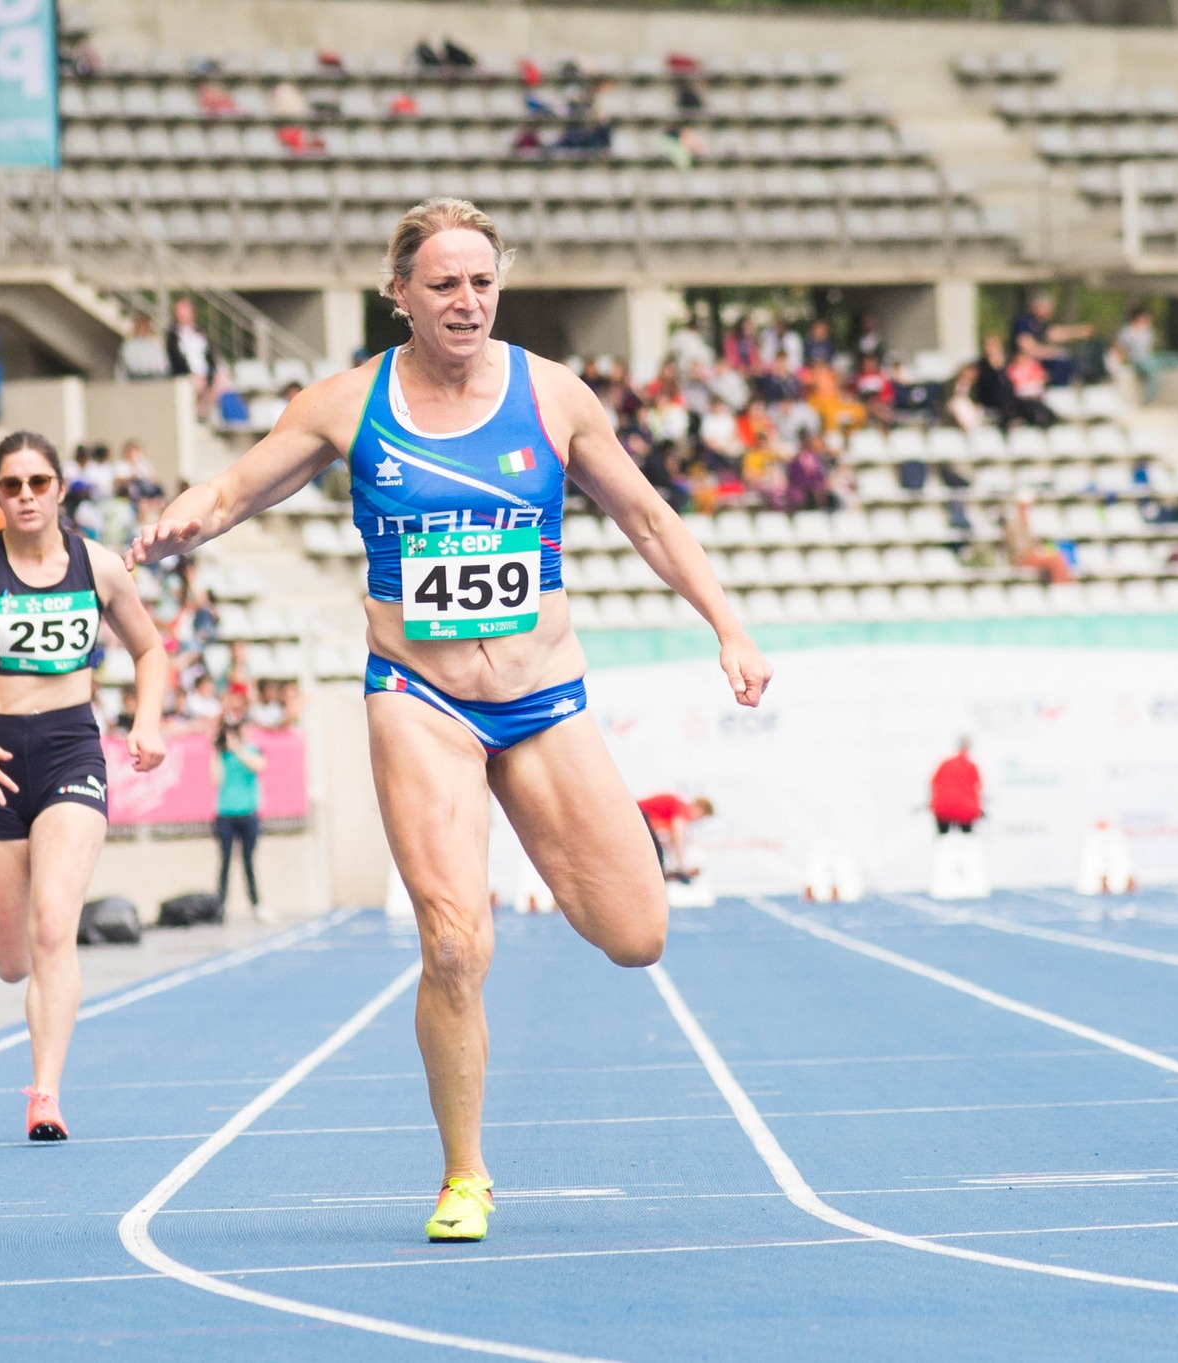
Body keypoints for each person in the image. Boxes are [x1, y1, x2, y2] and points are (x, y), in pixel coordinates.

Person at [125, 196, 771, 1244]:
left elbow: (647, 516)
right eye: (442, 284)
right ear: (400, 297)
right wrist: (186, 516)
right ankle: (463, 1173)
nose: (465, 300)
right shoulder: (346, 403)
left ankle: (552, 855)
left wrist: (727, 629)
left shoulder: (551, 394)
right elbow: (240, 485)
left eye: (480, 281)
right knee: (455, 942)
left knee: (636, 934)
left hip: (543, 695)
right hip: (418, 698)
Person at [0, 431, 171, 1142]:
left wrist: (146, 719)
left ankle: (46, 1093)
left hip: (69, 751)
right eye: (12, 485)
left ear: (61, 488)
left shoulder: (96, 565)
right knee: (10, 958)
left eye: (39, 482)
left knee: (55, 922)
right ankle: (41, 980)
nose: (26, 496)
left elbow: (151, 648)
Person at [211, 702, 272, 923]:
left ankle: (256, 903)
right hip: (226, 813)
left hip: (248, 813)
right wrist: (217, 750)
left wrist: (238, 749)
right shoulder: (223, 754)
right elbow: (214, 779)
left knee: (248, 861)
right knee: (225, 861)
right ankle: (220, 905)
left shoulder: (252, 750)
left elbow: (259, 766)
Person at [638, 791, 713, 881]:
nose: (698, 820)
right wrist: (681, 864)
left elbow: (668, 838)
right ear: (700, 810)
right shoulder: (684, 808)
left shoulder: (678, 809)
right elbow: (677, 834)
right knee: (657, 856)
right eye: (701, 817)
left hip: (640, 819)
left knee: (657, 853)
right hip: (639, 814)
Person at [929, 739, 982, 835]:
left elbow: (933, 784)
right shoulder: (971, 766)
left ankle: (942, 843)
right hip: (966, 810)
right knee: (967, 837)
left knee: (942, 836)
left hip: (943, 808)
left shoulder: (945, 763)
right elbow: (978, 787)